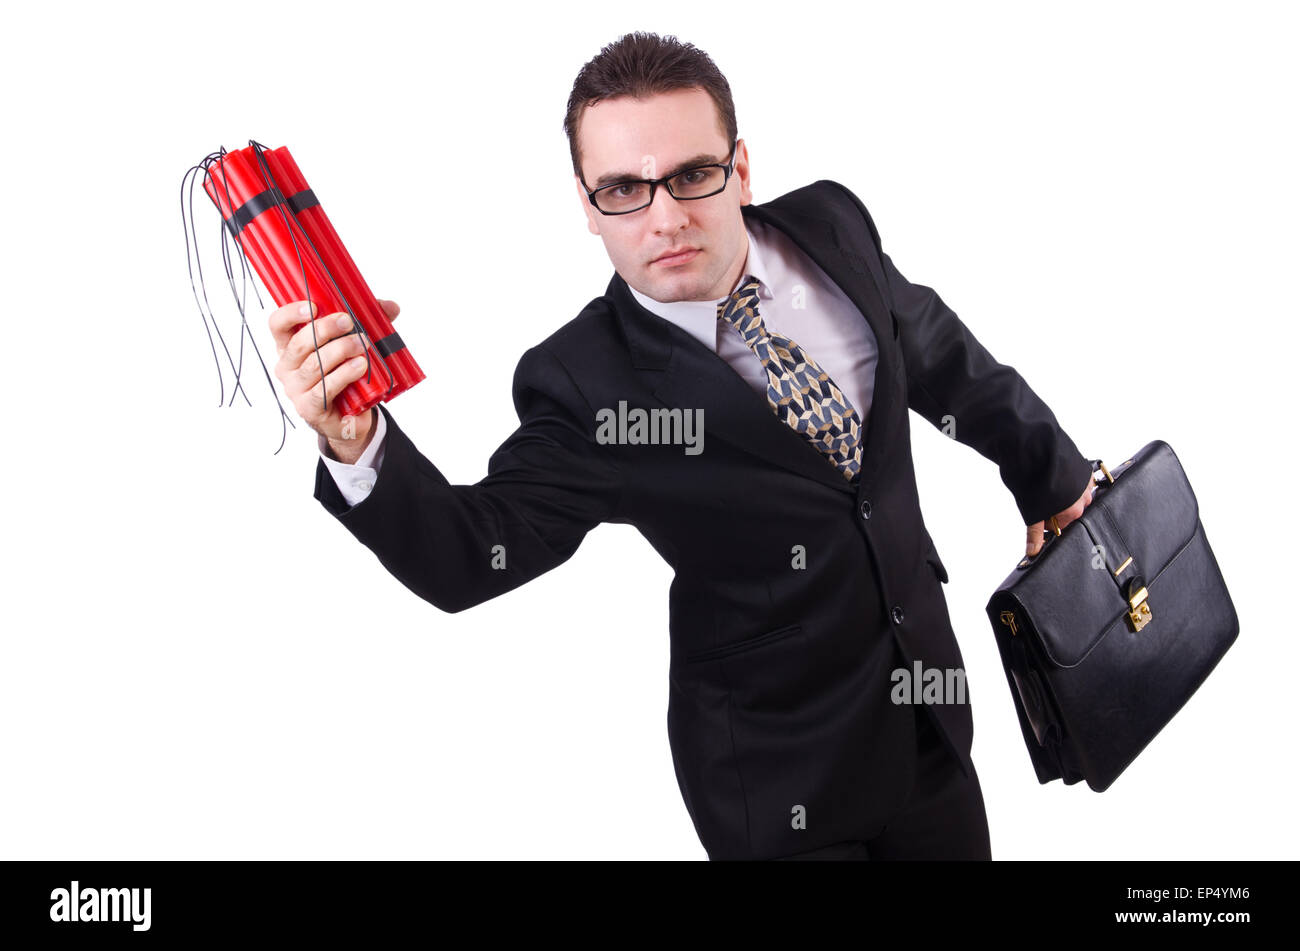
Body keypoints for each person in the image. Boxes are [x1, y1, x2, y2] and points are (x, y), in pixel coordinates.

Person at [269, 32, 1094, 861]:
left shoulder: (830, 225)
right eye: (624, 189)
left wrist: (1050, 476)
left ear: (740, 168)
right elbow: (470, 553)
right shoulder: (586, 382)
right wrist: (358, 441)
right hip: (776, 782)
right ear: (587, 208)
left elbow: (941, 356)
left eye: (693, 176)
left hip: (930, 720)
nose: (665, 218)